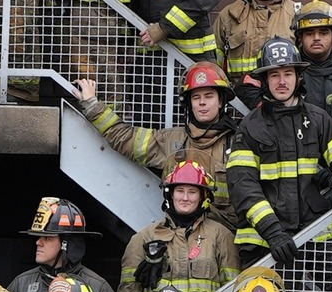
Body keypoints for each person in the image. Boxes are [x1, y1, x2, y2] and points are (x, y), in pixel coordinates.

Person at [226, 36, 332, 265]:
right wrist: (271, 230)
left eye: (288, 73)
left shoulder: (318, 119)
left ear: (298, 77)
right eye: (274, 74)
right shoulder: (250, 127)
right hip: (265, 241)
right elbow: (243, 186)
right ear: (264, 80)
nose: (282, 81)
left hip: (318, 232)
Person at [73, 61, 239, 232]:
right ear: (189, 103)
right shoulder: (172, 141)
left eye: (209, 96)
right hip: (179, 237)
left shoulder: (238, 144)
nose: (202, 102)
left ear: (221, 102)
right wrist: (93, 105)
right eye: (196, 97)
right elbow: (125, 138)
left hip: (224, 237)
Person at [117, 162, 240, 292]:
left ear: (203, 197)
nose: (185, 197)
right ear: (170, 194)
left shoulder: (221, 236)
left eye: (192, 192)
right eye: (180, 190)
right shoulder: (144, 238)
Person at [8, 197, 125, 292]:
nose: (38, 242)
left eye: (48, 238)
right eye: (39, 236)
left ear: (67, 244)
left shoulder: (97, 287)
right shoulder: (21, 284)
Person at [213, 0, 299, 105]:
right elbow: (213, 64)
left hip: (284, 107)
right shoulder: (228, 16)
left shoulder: (296, 15)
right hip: (238, 106)